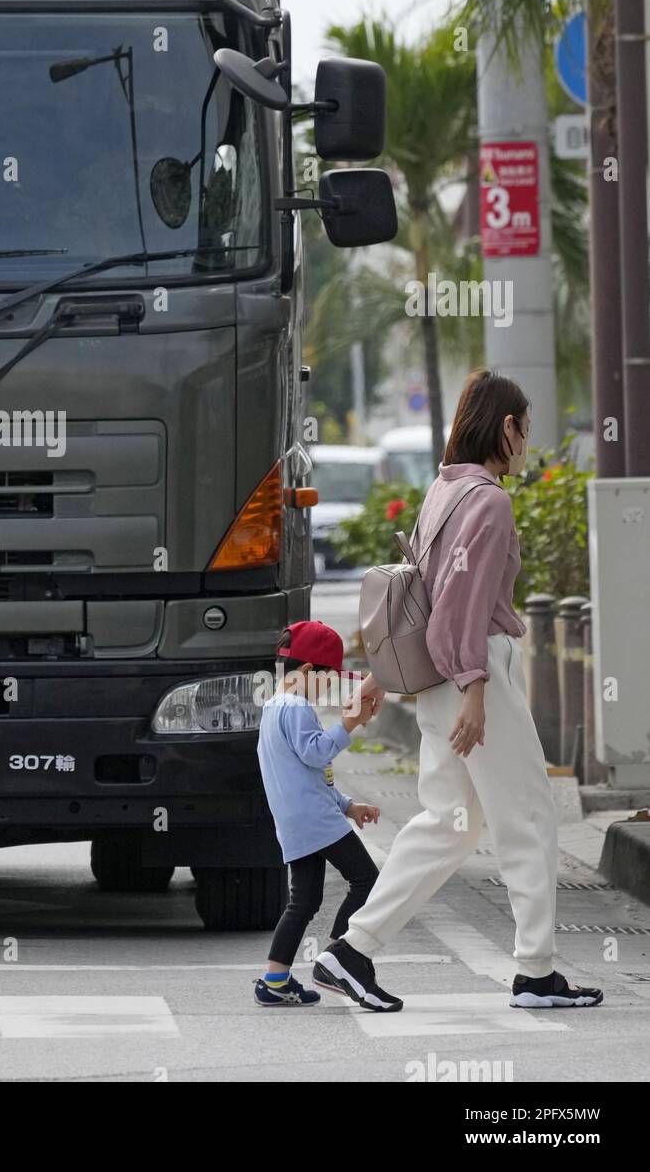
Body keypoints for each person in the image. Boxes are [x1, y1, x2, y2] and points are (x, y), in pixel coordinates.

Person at [316, 370, 604, 1012]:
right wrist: (476, 688)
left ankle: (351, 948)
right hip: (475, 674)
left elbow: (415, 598)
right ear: (507, 427)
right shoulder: (490, 502)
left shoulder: (442, 492)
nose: (527, 444)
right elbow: (456, 609)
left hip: (439, 680)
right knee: (528, 816)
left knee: (449, 822)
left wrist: (383, 678)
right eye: (525, 430)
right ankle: (535, 973)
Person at [253, 620, 386, 1008]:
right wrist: (351, 723)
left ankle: (275, 980)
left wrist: (347, 805)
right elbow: (317, 754)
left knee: (304, 901)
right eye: (328, 679)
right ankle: (338, 957)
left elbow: (310, 775)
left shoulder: (273, 707)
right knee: (367, 880)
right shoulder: (296, 709)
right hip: (316, 822)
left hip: (297, 823)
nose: (329, 688)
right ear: (310, 671)